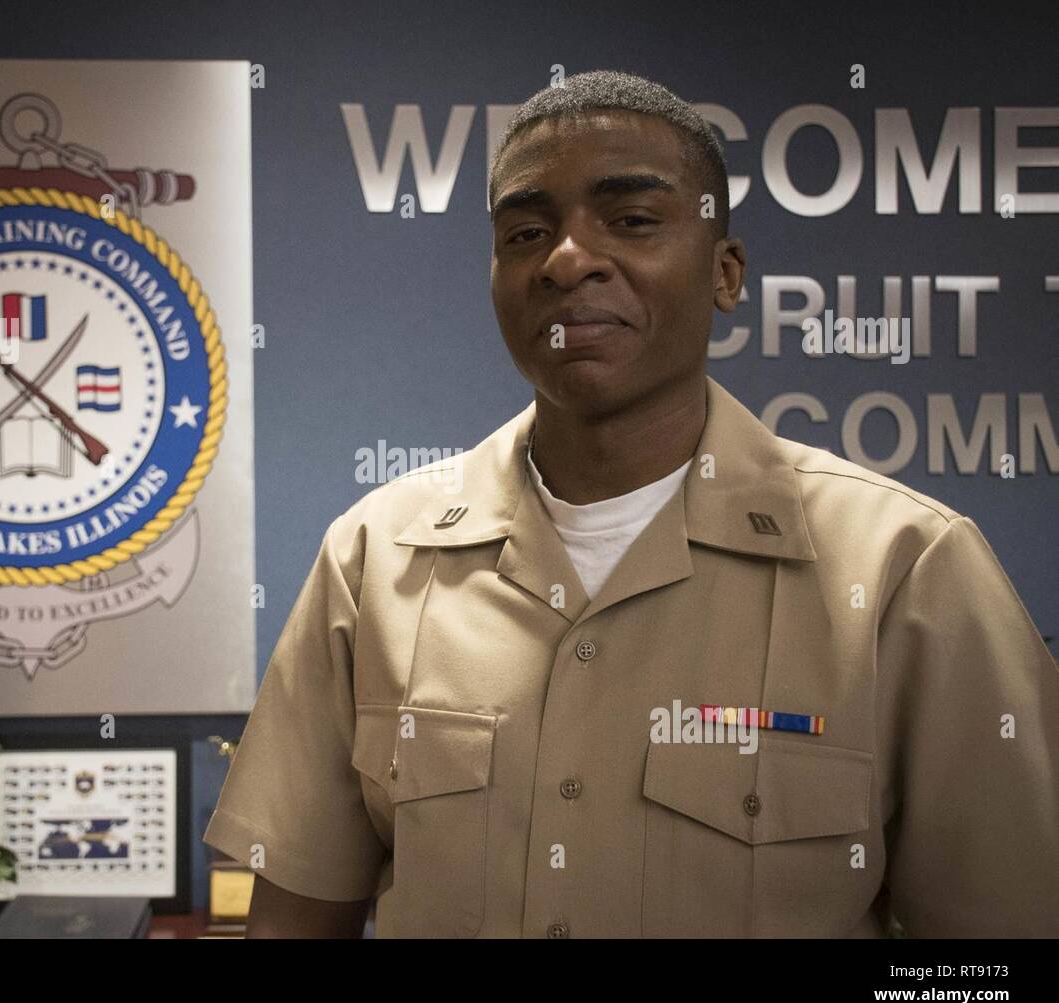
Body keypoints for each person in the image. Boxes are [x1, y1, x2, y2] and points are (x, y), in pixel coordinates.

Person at [203, 70, 1059, 938]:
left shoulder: (904, 568)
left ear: (726, 273)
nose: (568, 259)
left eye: (634, 221)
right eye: (528, 232)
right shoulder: (373, 561)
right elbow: (293, 922)